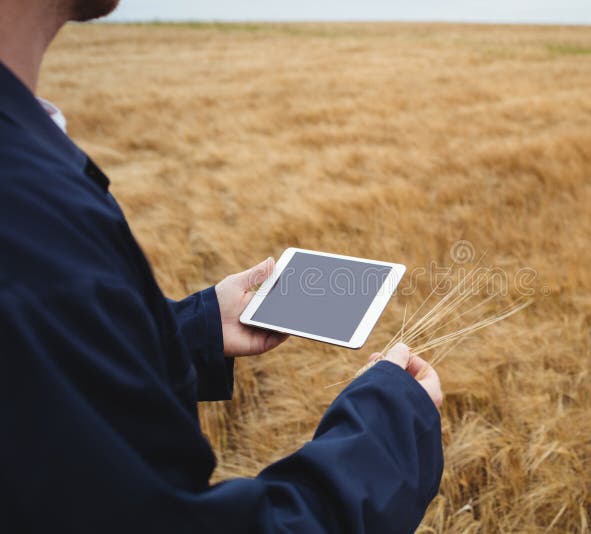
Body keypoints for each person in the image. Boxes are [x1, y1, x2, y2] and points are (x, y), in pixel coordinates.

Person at [0, 1, 444, 532]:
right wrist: (389, 432)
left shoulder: (26, 182)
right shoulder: (26, 210)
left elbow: (43, 378)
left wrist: (195, 328)